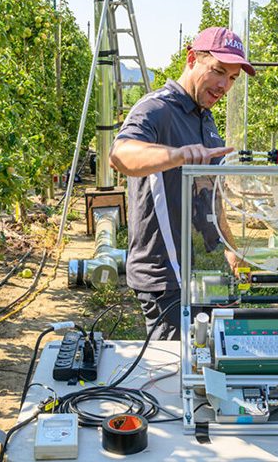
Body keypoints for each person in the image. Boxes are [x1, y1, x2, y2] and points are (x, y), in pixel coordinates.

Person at [110, 27, 255, 340]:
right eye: (218, 71)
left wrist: (229, 248)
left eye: (232, 78)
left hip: (202, 269)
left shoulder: (206, 118)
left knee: (210, 358)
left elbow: (210, 193)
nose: (223, 85)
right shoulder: (156, 109)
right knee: (173, 374)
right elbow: (120, 155)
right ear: (192, 59)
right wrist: (175, 155)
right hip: (165, 274)